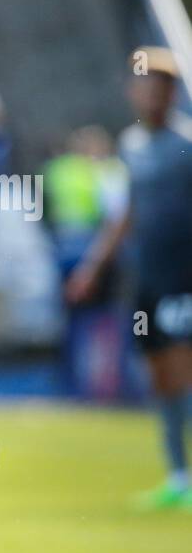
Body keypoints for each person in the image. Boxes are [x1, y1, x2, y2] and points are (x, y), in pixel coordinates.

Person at [66, 47, 192, 511]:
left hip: (185, 278)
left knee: (183, 369)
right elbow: (127, 216)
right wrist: (92, 266)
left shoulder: (187, 145)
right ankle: (178, 476)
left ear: (172, 92)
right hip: (148, 279)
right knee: (160, 375)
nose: (150, 94)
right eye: (143, 85)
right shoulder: (133, 146)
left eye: (160, 86)